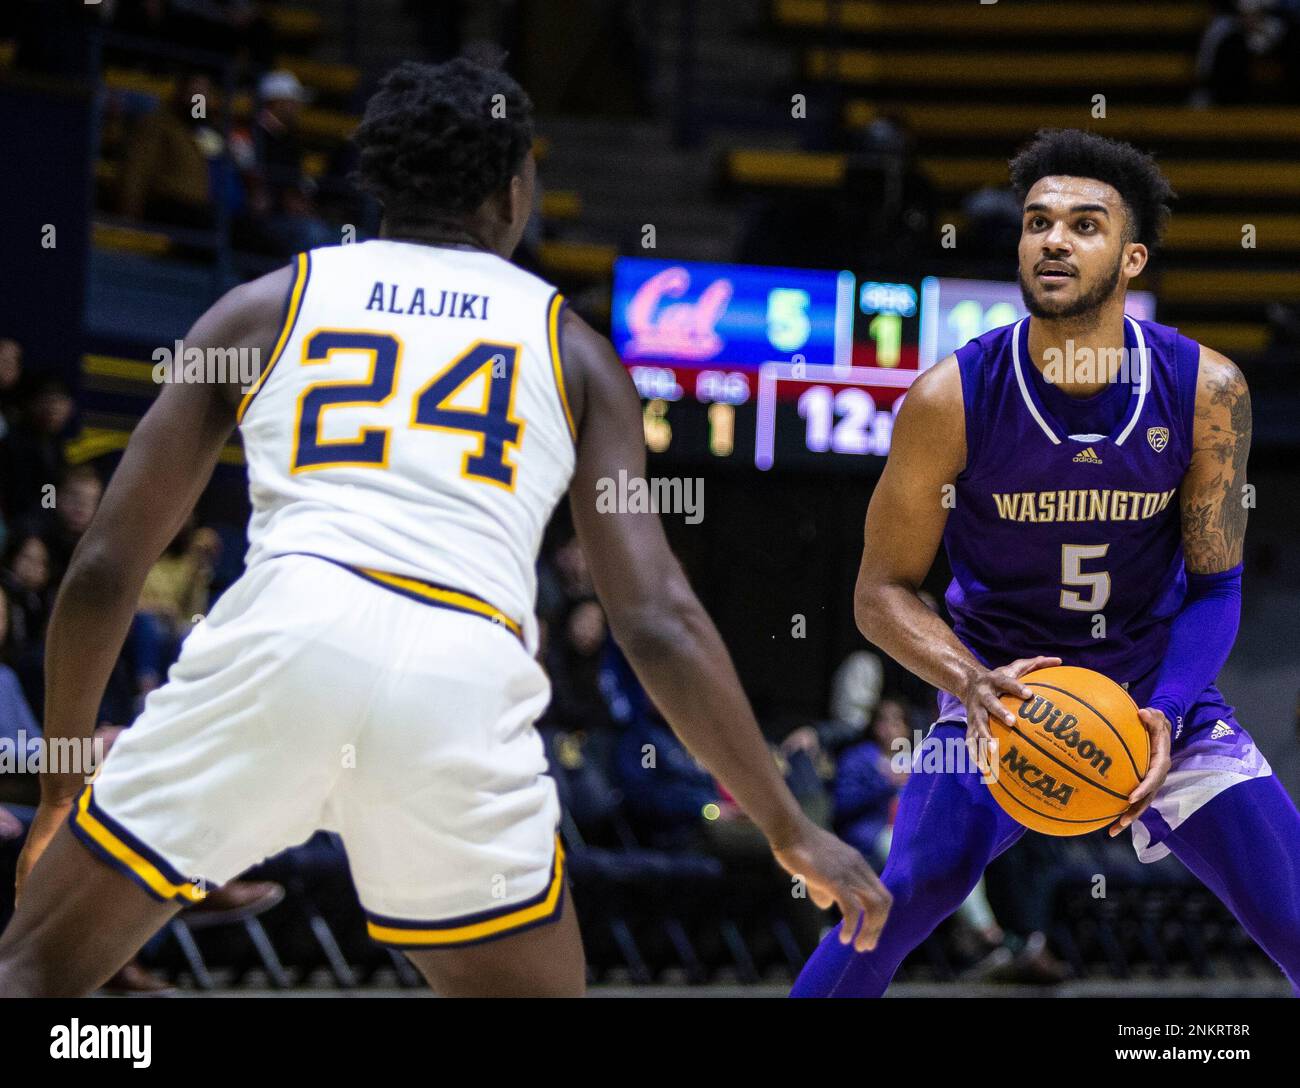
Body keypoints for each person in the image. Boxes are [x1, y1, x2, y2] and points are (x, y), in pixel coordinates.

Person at [0, 58, 888, 997]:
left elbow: (105, 567)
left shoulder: (260, 306)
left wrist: (63, 787)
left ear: (381, 183)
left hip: (282, 642)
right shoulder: (577, 352)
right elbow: (658, 619)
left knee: (30, 977)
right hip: (461, 680)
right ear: (513, 193)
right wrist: (789, 826)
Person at [792, 128, 1300, 997]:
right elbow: (880, 593)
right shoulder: (950, 399)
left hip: (1154, 695)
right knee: (902, 894)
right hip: (1002, 695)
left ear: (1132, 257)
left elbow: (1216, 588)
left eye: (1084, 224)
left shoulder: (1206, 391)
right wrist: (969, 680)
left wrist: (1167, 709)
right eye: (1038, 222)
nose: (1053, 240)